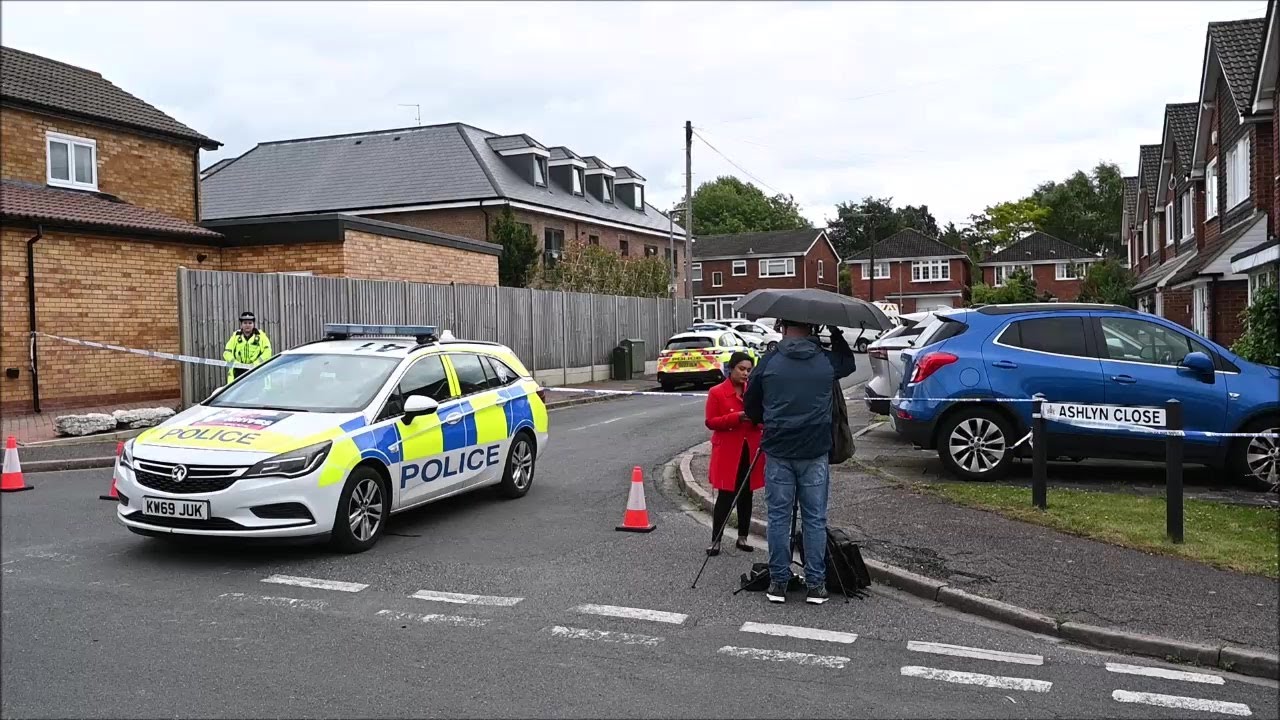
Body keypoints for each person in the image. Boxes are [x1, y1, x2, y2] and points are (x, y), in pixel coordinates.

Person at [743, 319, 857, 605]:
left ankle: (779, 583)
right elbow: (848, 363)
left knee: (779, 518)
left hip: (779, 449)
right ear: (812, 328)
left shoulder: (769, 361)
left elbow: (751, 406)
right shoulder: (825, 362)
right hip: (815, 450)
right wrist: (836, 332)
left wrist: (765, 418)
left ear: (782, 327)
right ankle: (816, 585)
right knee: (814, 518)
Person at [703, 352, 764, 557]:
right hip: (728, 450)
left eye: (748, 370)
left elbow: (763, 418)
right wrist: (736, 417)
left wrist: (756, 419)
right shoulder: (717, 392)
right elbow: (711, 421)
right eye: (741, 369)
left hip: (749, 449)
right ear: (731, 368)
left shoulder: (753, 392)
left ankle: (742, 536)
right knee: (726, 495)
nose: (746, 373)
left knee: (747, 494)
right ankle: (716, 540)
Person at [223, 311, 273, 384]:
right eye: (245, 323)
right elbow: (227, 352)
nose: (247, 325)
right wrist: (236, 363)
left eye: (250, 323)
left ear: (253, 324)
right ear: (241, 325)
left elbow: (267, 352)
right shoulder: (235, 336)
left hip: (256, 371)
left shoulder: (261, 336)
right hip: (238, 373)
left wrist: (256, 364)